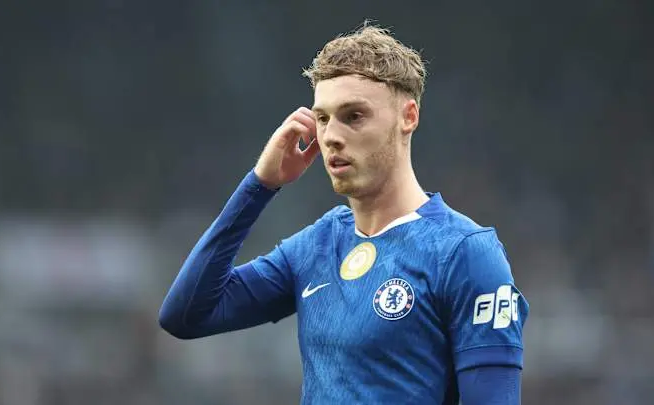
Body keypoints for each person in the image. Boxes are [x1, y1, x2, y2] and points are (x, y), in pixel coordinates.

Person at [159, 23, 529, 405]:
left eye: (353, 116)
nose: (331, 136)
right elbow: (186, 315)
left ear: (408, 117)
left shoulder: (465, 253)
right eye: (322, 119)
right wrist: (259, 185)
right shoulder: (316, 246)